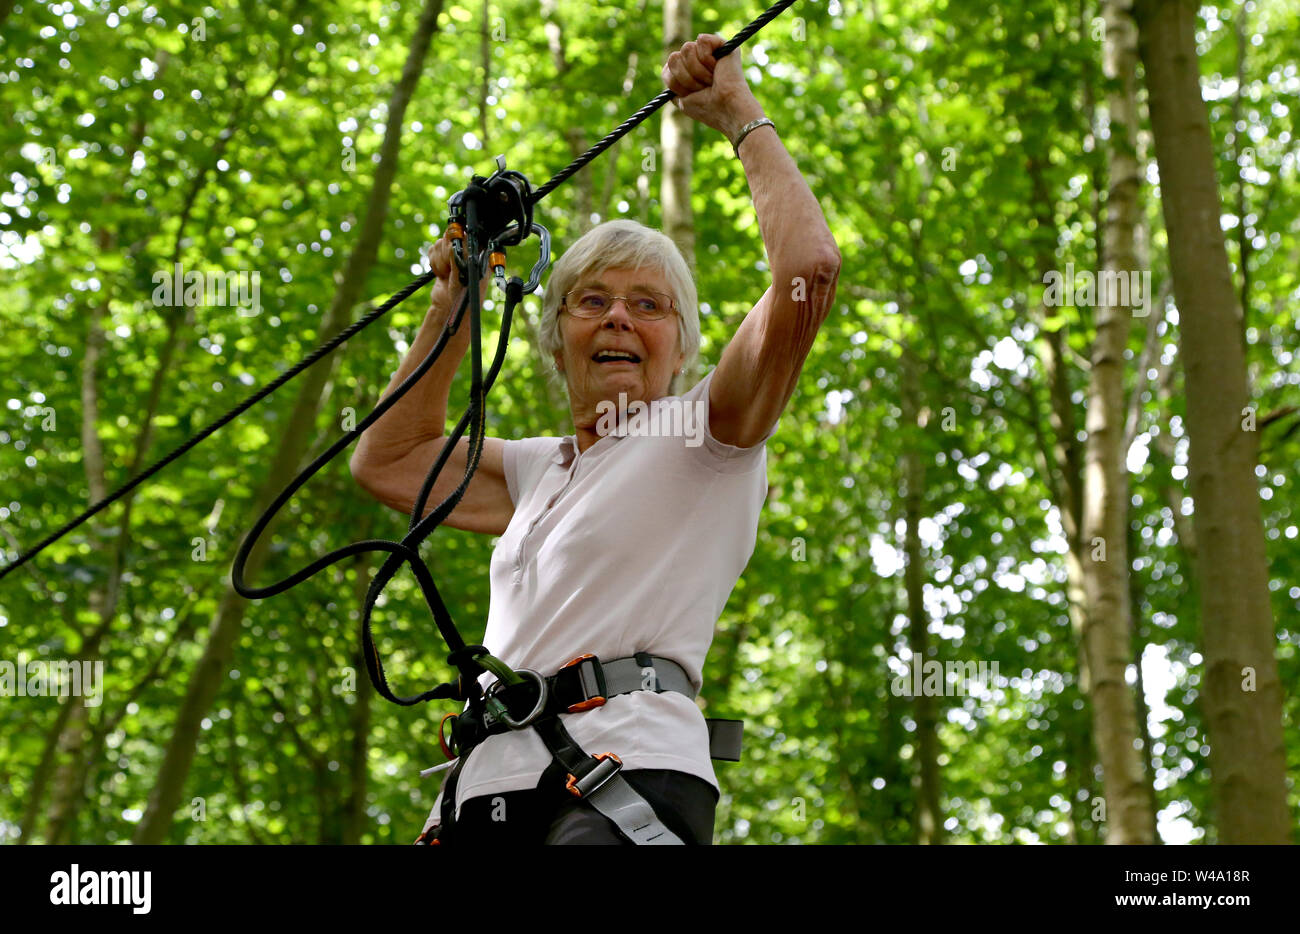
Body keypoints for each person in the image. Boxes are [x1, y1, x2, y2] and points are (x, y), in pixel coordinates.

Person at [350, 33, 839, 844]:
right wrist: (457, 298)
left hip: (626, 777)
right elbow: (388, 460)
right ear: (556, 341)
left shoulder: (706, 432)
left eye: (649, 306)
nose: (618, 316)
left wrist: (736, 111)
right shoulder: (536, 467)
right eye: (592, 302)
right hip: (481, 795)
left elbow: (809, 271)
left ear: (681, 350)